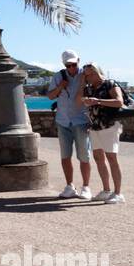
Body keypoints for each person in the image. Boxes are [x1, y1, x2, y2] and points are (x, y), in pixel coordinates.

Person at [46, 50, 92, 200]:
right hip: (63, 121)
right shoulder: (58, 76)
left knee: (84, 155)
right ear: (64, 64)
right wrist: (60, 86)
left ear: (79, 60)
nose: (72, 67)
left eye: (74, 64)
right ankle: (70, 186)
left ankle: (86, 187)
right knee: (65, 156)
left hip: (81, 120)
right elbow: (50, 96)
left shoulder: (85, 74)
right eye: (68, 65)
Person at [81, 63, 126, 204]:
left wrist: (98, 101)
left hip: (110, 126)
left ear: (98, 72)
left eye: (91, 73)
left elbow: (119, 102)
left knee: (112, 158)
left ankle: (118, 193)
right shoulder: (88, 89)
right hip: (95, 127)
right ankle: (106, 190)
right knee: (99, 158)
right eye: (86, 74)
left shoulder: (110, 84)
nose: (89, 76)